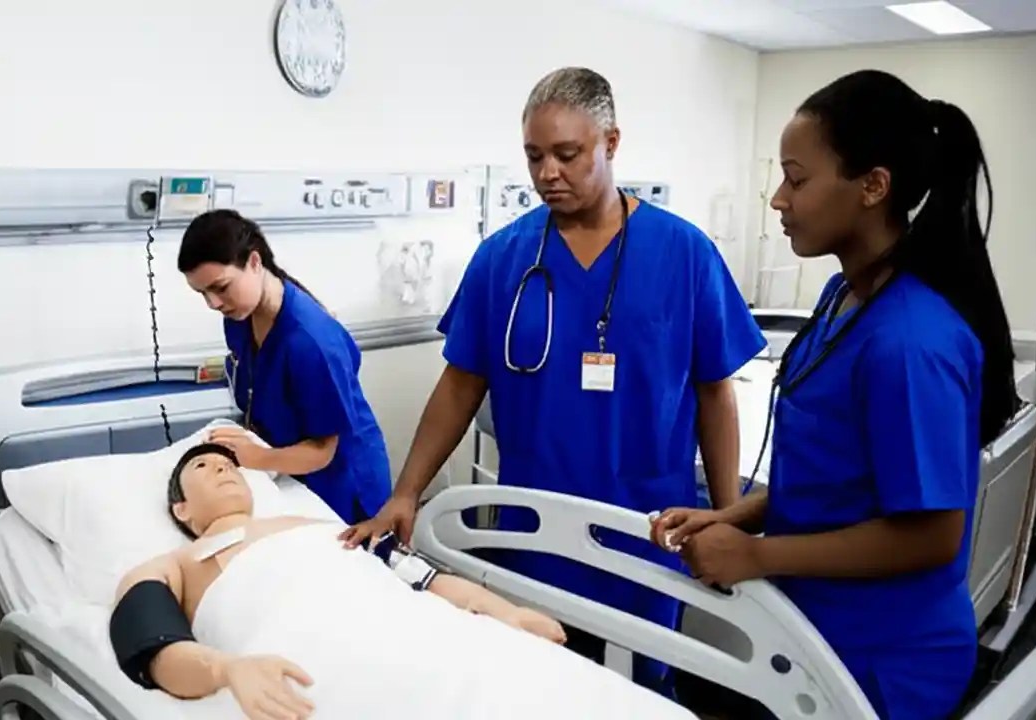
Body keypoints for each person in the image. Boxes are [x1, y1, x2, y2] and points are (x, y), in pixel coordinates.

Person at [339, 66, 766, 691]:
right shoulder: (503, 257)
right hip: (531, 530)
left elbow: (713, 392)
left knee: (637, 691)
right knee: (535, 685)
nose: (547, 173)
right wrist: (405, 493)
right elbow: (460, 385)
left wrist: (724, 514)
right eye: (534, 156)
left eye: (567, 154)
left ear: (611, 143)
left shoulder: (684, 254)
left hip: (643, 530)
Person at [651, 69, 1019, 720]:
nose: (778, 200)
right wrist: (734, 517)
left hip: (884, 661)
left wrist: (756, 555)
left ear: (873, 186)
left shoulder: (910, 342)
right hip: (815, 632)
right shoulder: (843, 297)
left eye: (796, 180)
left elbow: (931, 536)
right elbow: (836, 483)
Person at [109, 443, 691, 720]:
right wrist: (227, 669)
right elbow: (151, 649)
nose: (223, 468)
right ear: (182, 509)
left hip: (409, 625)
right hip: (314, 653)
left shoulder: (319, 526)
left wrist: (503, 612)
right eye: (203, 467)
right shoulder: (171, 565)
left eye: (229, 464)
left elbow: (420, 576)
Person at [178, 209, 392, 524]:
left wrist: (257, 456)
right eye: (202, 293)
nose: (213, 303)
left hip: (344, 487)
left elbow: (323, 451)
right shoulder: (240, 318)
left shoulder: (310, 343)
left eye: (221, 287)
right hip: (290, 472)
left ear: (254, 262)